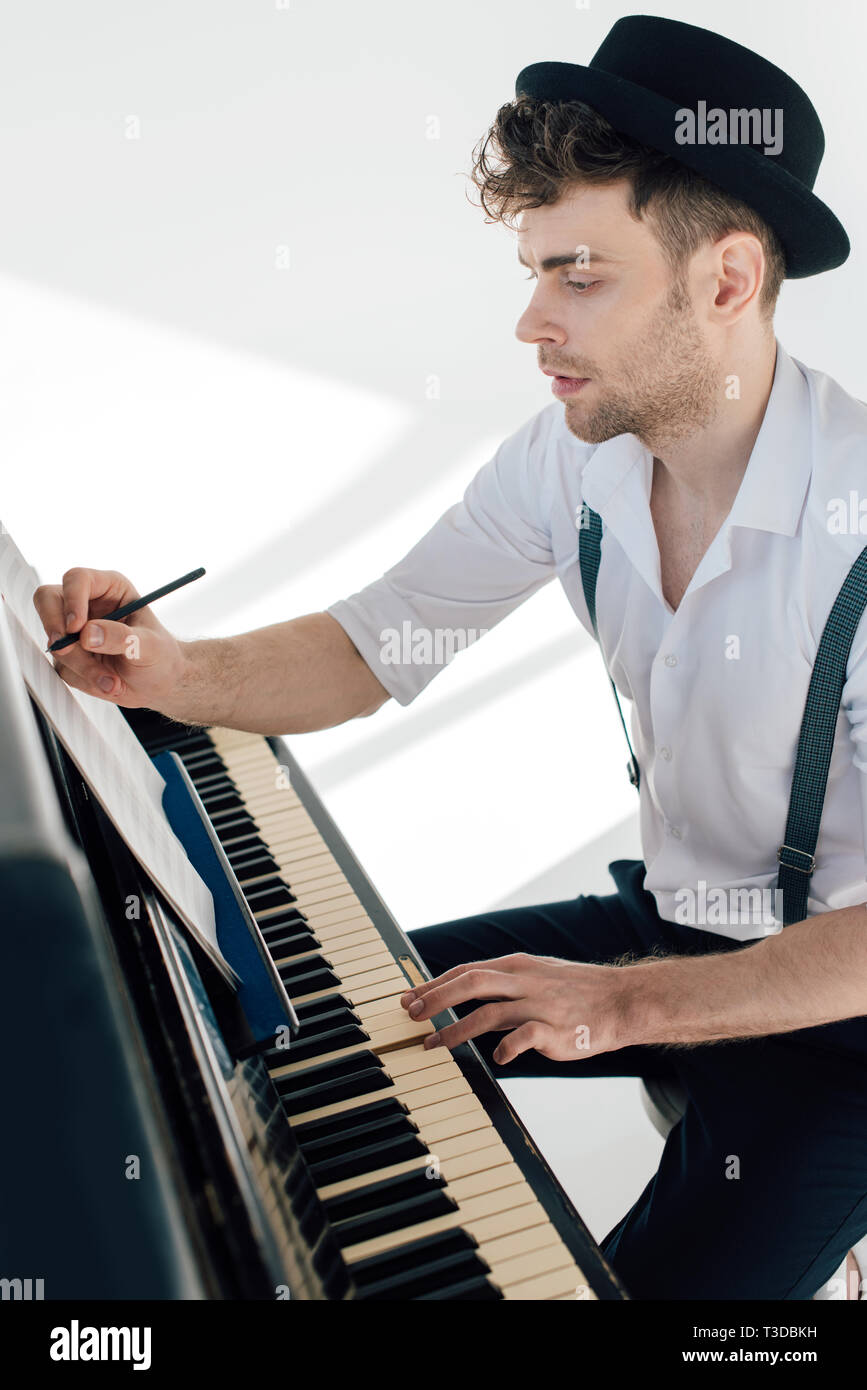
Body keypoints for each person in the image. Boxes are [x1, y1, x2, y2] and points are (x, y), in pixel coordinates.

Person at [34, 16, 867, 1300]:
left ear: (726, 280)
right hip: (667, 918)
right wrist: (169, 669)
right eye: (534, 273)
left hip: (841, 1021)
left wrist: (622, 1006)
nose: (533, 320)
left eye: (580, 276)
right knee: (307, 1049)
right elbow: (374, 644)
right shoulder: (570, 457)